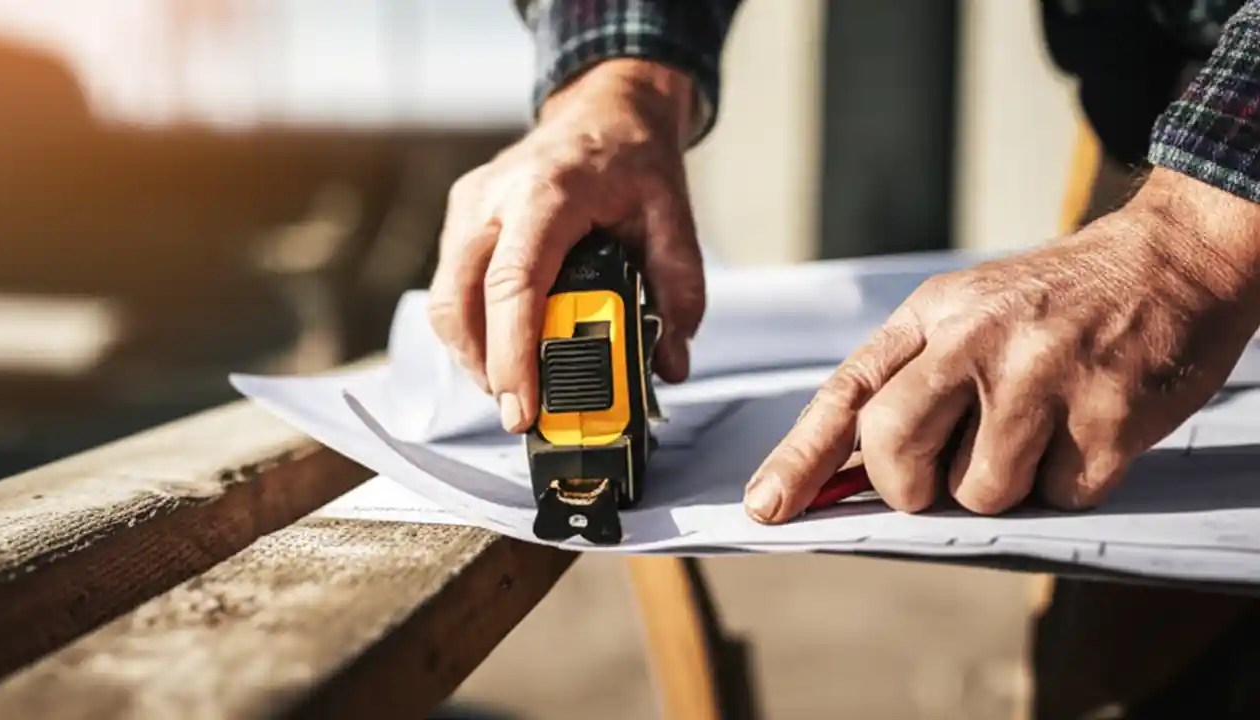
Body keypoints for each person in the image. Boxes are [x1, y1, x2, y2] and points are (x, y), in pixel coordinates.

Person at [426, 2, 1260, 715]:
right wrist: (619, 80)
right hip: (1161, 146)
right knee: (1120, 686)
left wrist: (1198, 245)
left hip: (1224, 164)